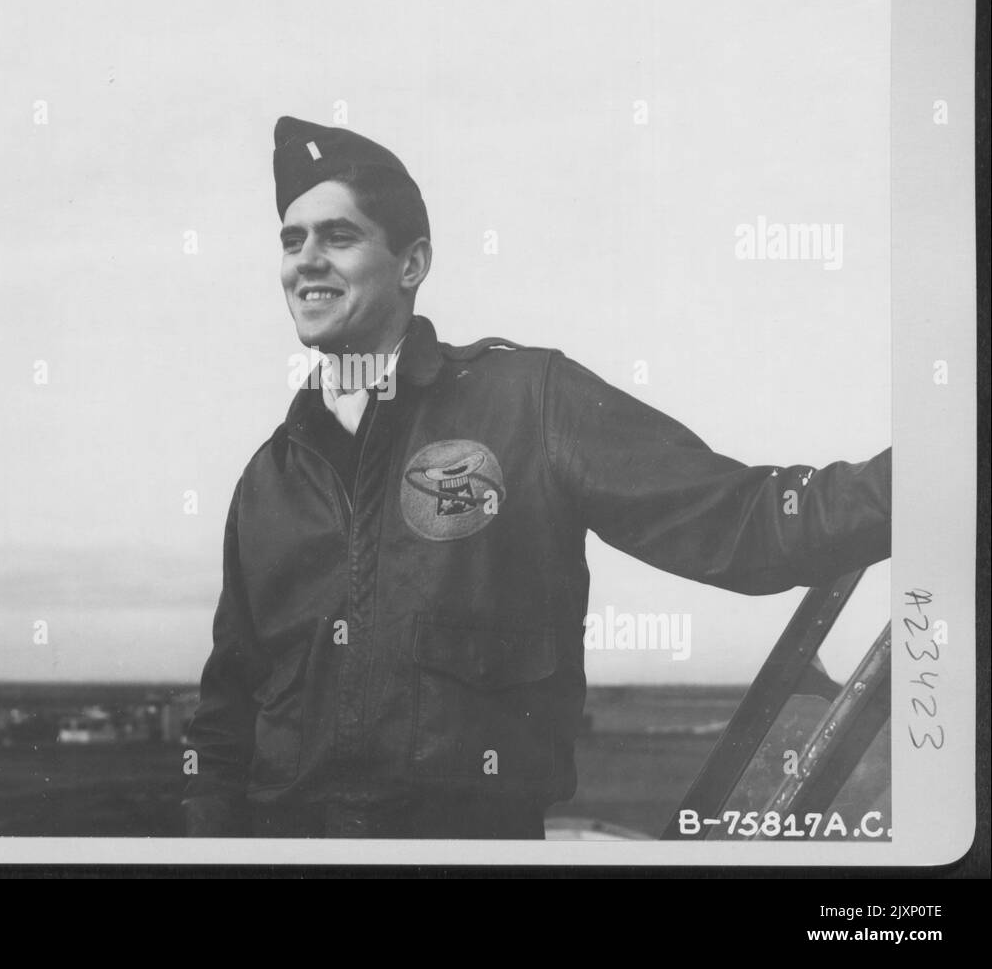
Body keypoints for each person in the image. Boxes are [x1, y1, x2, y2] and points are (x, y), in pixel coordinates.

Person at [181, 116, 891, 839]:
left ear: (412, 263)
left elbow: (744, 523)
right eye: (291, 241)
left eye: (338, 237)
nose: (306, 261)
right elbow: (225, 720)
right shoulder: (270, 479)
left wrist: (927, 480)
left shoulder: (528, 403)